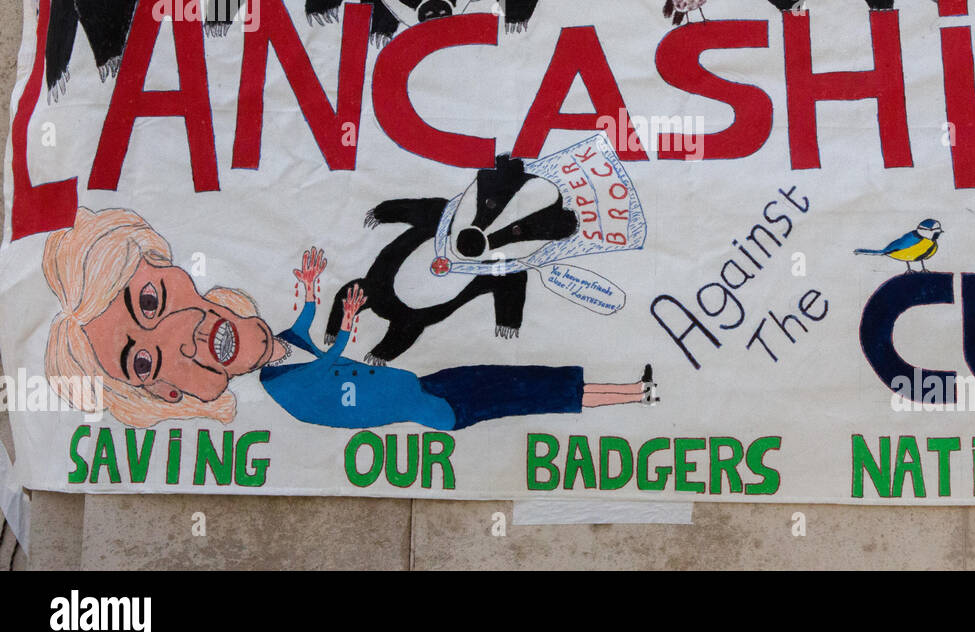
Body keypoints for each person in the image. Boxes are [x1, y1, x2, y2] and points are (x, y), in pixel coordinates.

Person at [42, 206, 655, 428]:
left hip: (423, 391)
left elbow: (305, 331)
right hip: (432, 407)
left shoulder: (280, 348)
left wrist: (313, 290)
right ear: (175, 395)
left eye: (149, 300)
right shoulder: (283, 391)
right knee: (524, 394)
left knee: (527, 388)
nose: (180, 333)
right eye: (145, 361)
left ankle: (631, 390)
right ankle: (631, 394)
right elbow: (327, 364)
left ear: (168, 270)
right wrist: (348, 329)